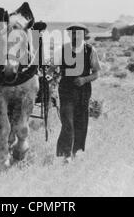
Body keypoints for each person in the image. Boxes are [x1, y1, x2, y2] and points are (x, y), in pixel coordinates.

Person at [55, 23, 101, 163]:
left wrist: (84, 79)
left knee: (81, 122)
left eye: (79, 33)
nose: (76, 36)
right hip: (66, 91)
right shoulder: (61, 50)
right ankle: (66, 154)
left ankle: (76, 151)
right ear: (69, 35)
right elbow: (53, 69)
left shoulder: (90, 50)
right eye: (73, 33)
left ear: (84, 35)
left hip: (83, 91)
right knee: (67, 122)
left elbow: (97, 73)